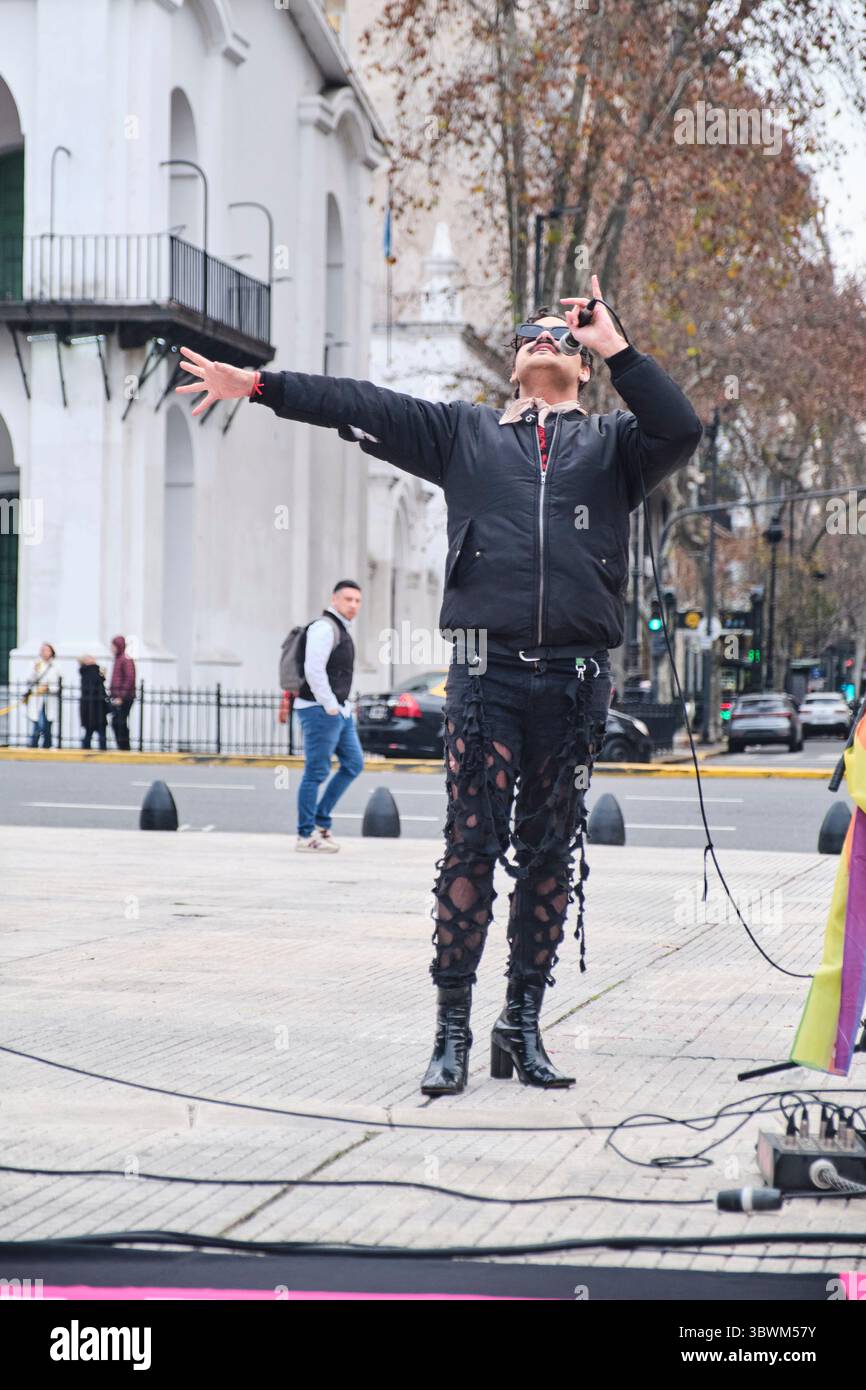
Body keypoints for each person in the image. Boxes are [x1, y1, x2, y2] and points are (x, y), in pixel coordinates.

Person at [175, 272, 703, 1095]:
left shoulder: (614, 450)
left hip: (573, 685)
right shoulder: (465, 436)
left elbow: (681, 425)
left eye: (560, 337)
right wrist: (260, 385)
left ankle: (521, 1026)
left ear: (584, 365)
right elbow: (368, 403)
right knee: (470, 848)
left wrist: (619, 346)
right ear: (512, 367)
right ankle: (451, 1030)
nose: (542, 340)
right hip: (484, 679)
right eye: (530, 335)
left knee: (548, 859)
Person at [292, 581, 365, 852]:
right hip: (319, 709)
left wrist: (341, 707)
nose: (353, 605)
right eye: (348, 599)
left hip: (338, 711)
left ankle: (321, 821)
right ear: (334, 599)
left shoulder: (340, 629)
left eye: (358, 600)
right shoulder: (325, 627)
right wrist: (330, 704)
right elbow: (314, 669)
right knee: (316, 771)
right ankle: (305, 834)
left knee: (354, 763)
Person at [25, 642, 58, 748]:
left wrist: (49, 687)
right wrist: (35, 670)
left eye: (47, 650)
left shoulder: (56, 666)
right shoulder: (36, 664)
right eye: (42, 650)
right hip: (37, 696)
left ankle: (47, 744)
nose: (44, 652)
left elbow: (59, 682)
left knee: (48, 722)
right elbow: (29, 680)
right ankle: (34, 743)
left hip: (49, 696)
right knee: (37, 722)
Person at [109, 635, 136, 750]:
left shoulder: (126, 660)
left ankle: (124, 747)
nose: (111, 648)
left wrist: (121, 696)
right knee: (118, 722)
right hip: (118, 696)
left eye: (113, 646)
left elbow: (129, 679)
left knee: (119, 722)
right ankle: (122, 747)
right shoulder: (118, 659)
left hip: (124, 697)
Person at [79, 655, 109, 749]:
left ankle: (87, 748)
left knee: (90, 731)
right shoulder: (92, 670)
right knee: (98, 732)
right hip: (96, 706)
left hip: (91, 706)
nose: (94, 659)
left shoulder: (86, 672)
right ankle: (101, 749)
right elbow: (97, 686)